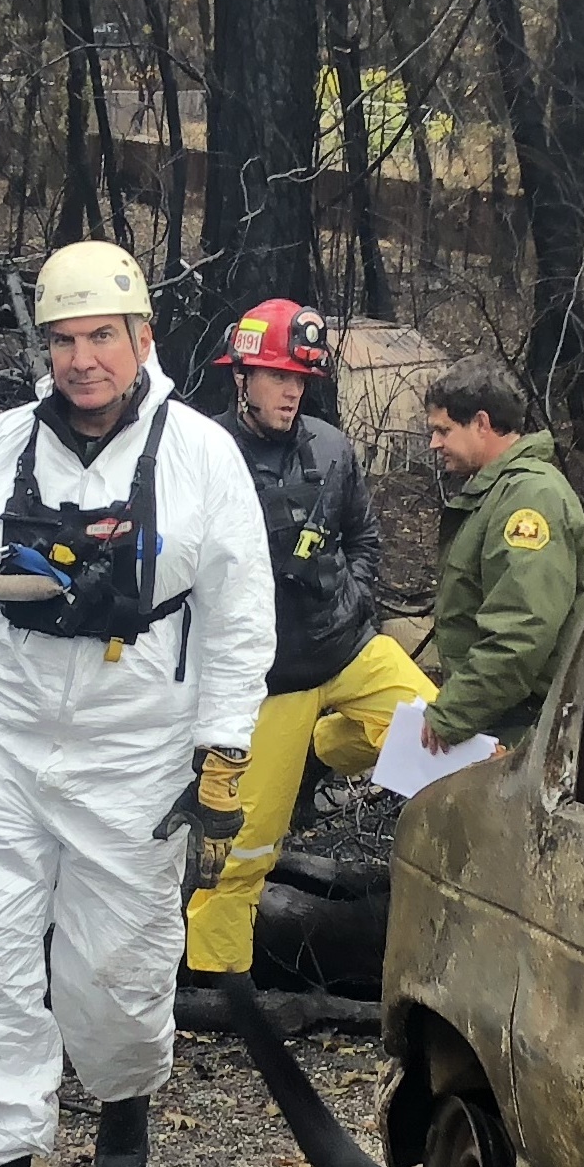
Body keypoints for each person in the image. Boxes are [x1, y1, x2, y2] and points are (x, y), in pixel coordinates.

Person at [0, 242, 274, 1167]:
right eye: (62, 340)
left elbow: (241, 612)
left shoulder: (198, 454)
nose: (81, 359)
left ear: (142, 339)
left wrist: (223, 749)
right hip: (9, 723)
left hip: (134, 732)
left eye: (100, 335)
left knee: (116, 962)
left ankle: (122, 1088)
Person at [182, 299, 434, 978]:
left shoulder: (330, 445)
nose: (291, 390)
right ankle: (214, 983)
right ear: (240, 376)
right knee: (240, 852)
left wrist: (351, 593)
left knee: (449, 751)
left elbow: (365, 537)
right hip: (269, 685)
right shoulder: (203, 454)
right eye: (275, 376)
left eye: (299, 379)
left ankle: (331, 746)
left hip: (351, 649)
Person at [417, 359, 584, 753]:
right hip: (505, 718)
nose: (435, 444)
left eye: (443, 430)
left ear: (481, 423)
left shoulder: (529, 500)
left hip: (527, 728)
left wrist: (455, 712)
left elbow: (521, 630)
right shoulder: (498, 493)